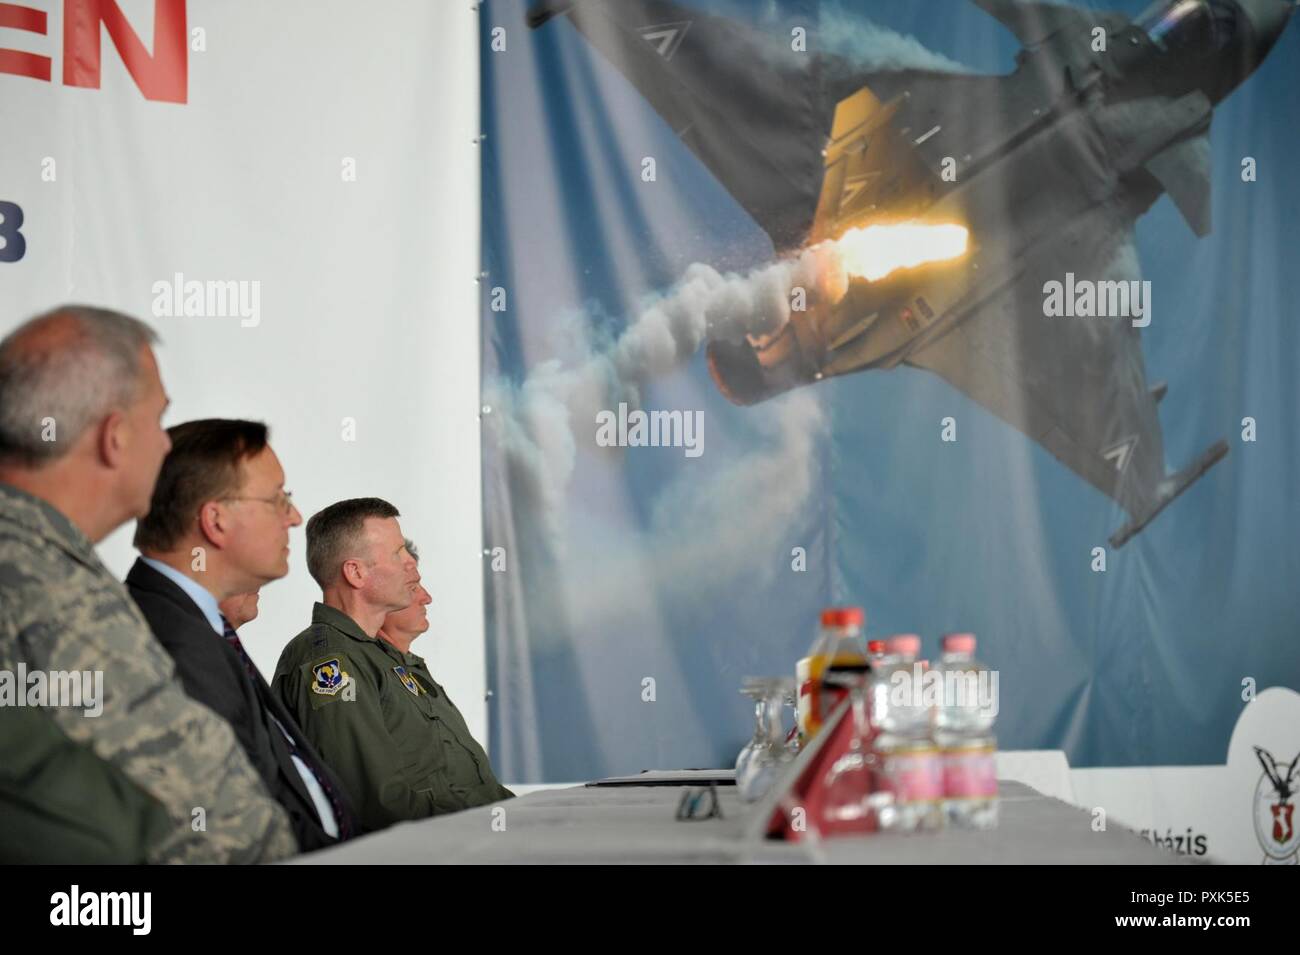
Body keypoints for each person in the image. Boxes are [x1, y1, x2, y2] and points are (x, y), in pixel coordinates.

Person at [0, 305, 296, 863]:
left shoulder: (47, 563)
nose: (166, 447)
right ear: (114, 437)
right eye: (158, 421)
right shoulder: (47, 589)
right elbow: (196, 820)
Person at [127, 418, 356, 850]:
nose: (294, 517)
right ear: (215, 521)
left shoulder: (193, 625)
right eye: (278, 499)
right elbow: (242, 831)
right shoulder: (167, 641)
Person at [275, 499, 511, 833]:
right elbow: (378, 806)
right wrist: (495, 812)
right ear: (356, 572)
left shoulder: (377, 656)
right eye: (397, 554)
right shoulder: (330, 661)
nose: (411, 566)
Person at [376, 539, 512, 806]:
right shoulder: (363, 669)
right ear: (380, 593)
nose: (426, 597)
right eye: (411, 587)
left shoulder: (413, 669)